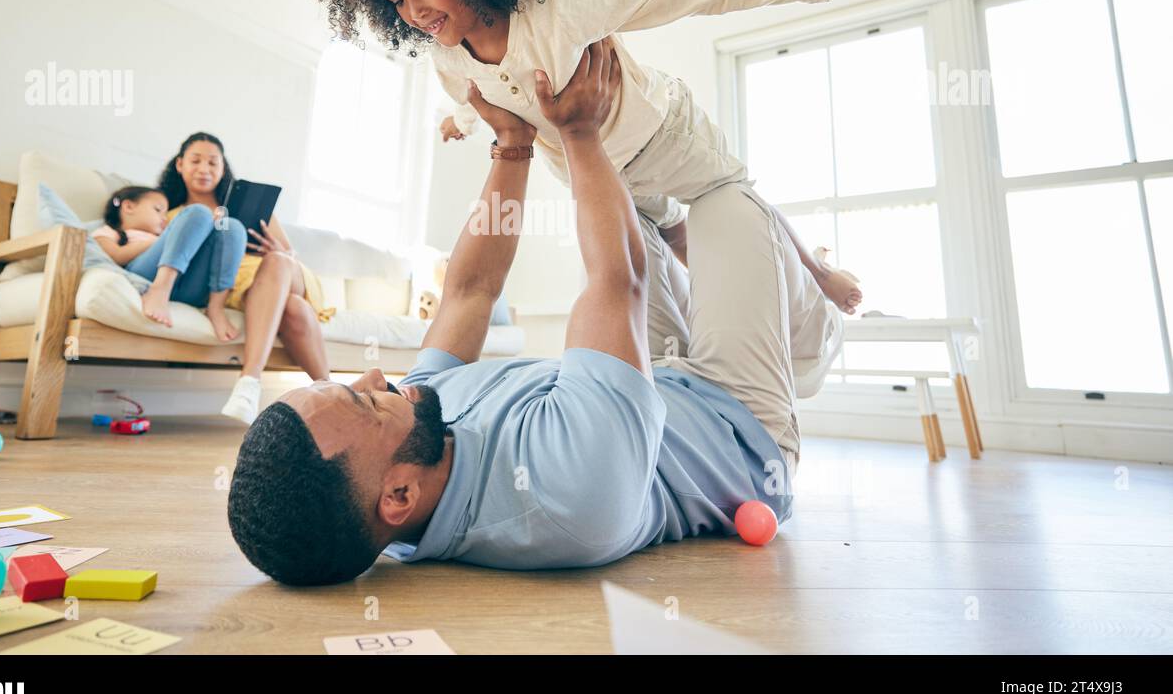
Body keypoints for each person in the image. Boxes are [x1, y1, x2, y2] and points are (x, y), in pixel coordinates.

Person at [227, 39, 842, 586]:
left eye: (350, 385)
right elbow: (616, 280)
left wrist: (512, 146)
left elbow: (470, 289)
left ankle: (758, 299)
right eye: (363, 400)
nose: (371, 378)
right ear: (398, 495)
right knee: (723, 199)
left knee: (644, 210)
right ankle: (814, 345)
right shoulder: (564, 496)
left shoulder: (410, 435)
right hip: (737, 424)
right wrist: (579, 134)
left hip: (656, 383)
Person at [294, 0, 907, 315]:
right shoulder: (445, 57)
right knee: (676, 248)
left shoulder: (559, 6)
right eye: (396, 0)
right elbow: (479, 95)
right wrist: (460, 121)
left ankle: (818, 270)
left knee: (741, 209)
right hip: (597, 176)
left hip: (664, 134)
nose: (414, 10)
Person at [158, 132, 333, 423]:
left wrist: (281, 251)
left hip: (288, 273)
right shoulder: (174, 214)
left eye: (213, 163)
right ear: (179, 165)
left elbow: (291, 255)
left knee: (277, 261)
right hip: (246, 289)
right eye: (196, 161)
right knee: (294, 309)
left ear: (223, 169)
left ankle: (249, 381)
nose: (204, 169)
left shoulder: (252, 208)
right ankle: (332, 397)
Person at [93, 185, 248, 335]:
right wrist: (163, 239)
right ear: (128, 207)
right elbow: (116, 256)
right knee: (199, 211)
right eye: (158, 210)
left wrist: (204, 231)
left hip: (188, 287)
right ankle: (160, 290)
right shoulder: (111, 232)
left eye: (166, 214)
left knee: (232, 227)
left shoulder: (167, 236)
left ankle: (216, 306)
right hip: (148, 277)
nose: (164, 218)